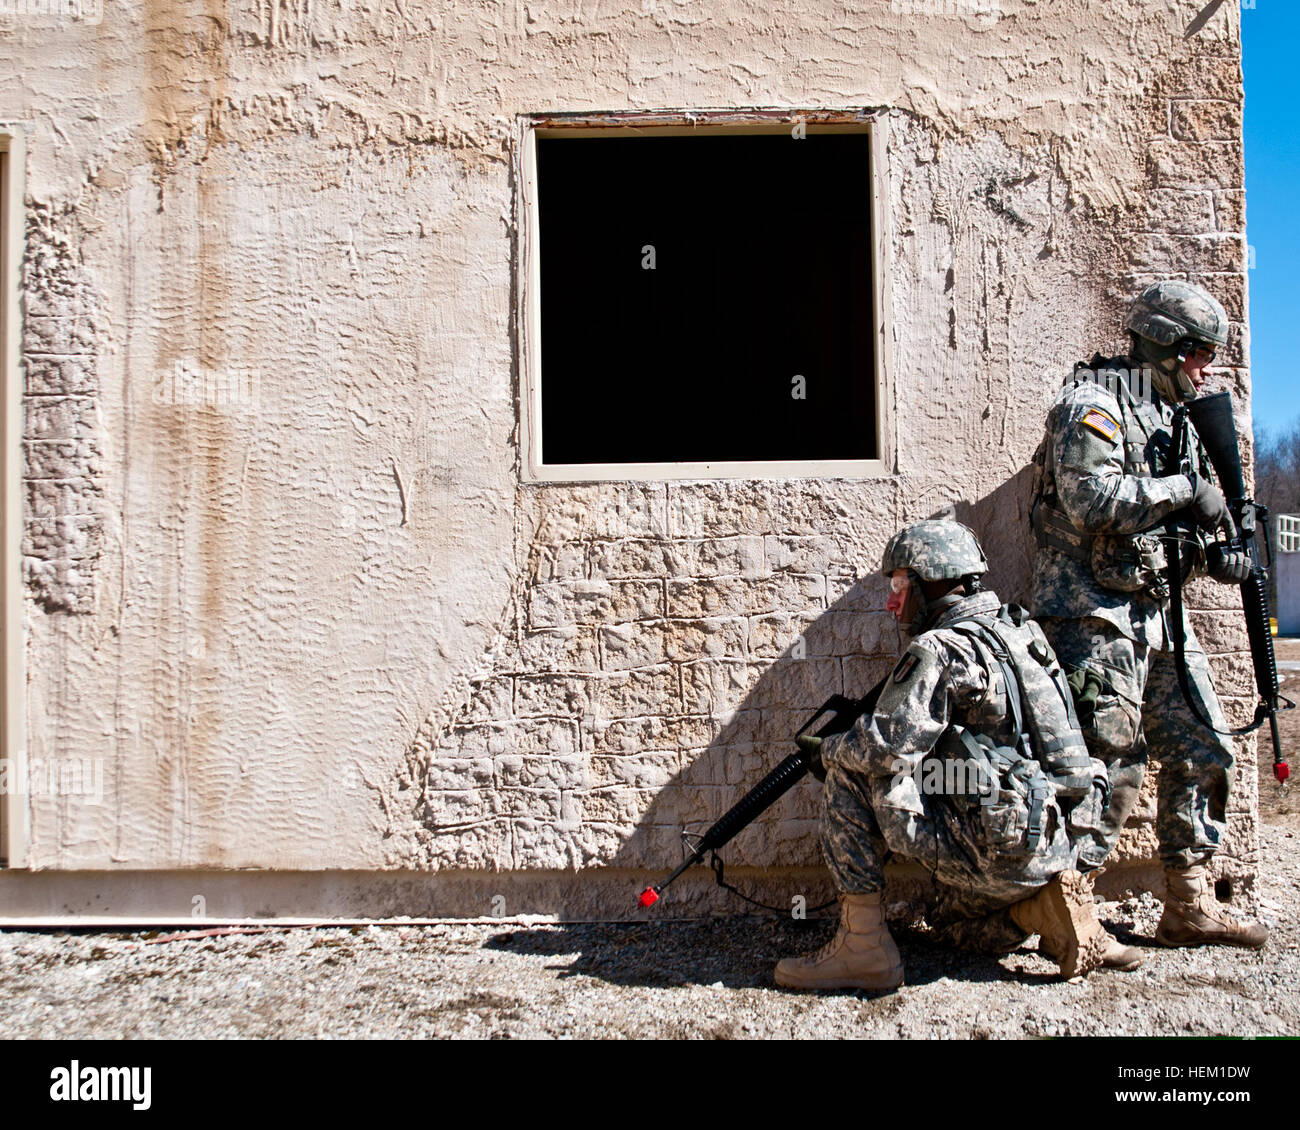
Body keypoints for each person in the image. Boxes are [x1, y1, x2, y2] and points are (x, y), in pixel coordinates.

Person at [775, 519, 1116, 993]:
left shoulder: (939, 649)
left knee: (852, 770)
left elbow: (886, 748)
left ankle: (863, 948)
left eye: (898, 585)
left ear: (931, 583)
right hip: (1062, 841)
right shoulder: (1022, 631)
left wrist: (827, 750)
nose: (892, 601)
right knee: (949, 928)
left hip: (1002, 846)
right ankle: (1042, 907)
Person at [1029, 279, 1267, 951]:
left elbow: (1166, 531)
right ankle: (1070, 913)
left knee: (1206, 745)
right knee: (1107, 763)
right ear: (1163, 345)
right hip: (1093, 617)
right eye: (1197, 354)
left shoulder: (1175, 422)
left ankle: (1188, 902)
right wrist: (1187, 490)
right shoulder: (1092, 406)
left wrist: (1212, 557)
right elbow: (1089, 500)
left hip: (1159, 615)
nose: (1206, 369)